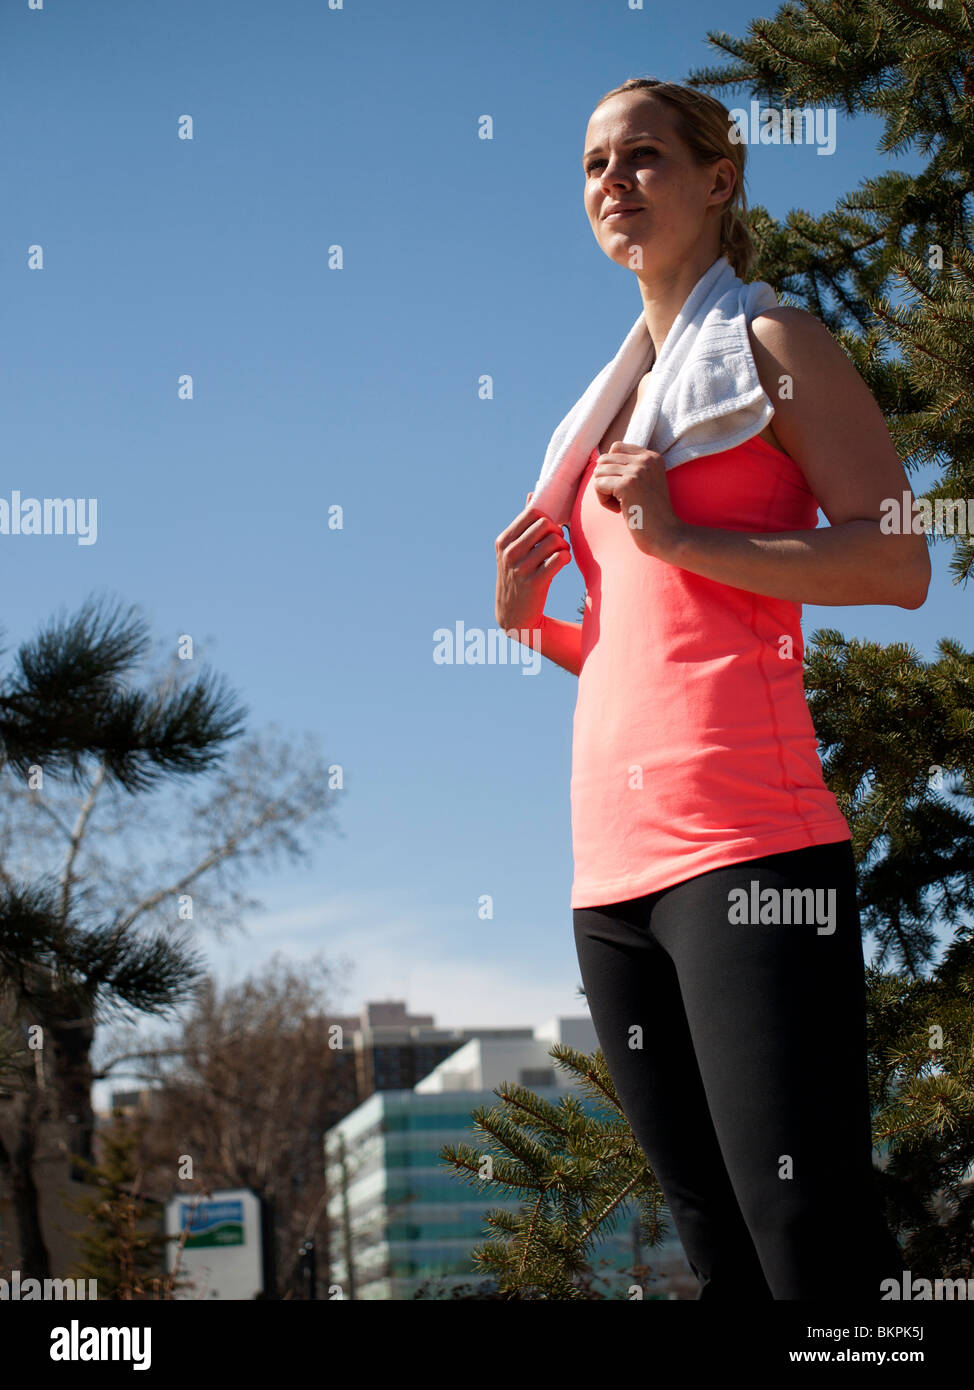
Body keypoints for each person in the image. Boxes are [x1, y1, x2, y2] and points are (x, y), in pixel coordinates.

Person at [493, 77, 930, 1301]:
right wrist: (534, 629)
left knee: (805, 1233)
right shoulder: (603, 409)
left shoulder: (772, 347)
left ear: (717, 178)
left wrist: (683, 539)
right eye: (591, 163)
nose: (611, 180)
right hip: (610, 876)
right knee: (719, 1255)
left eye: (642, 155)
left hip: (747, 846)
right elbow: (646, 649)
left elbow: (898, 559)